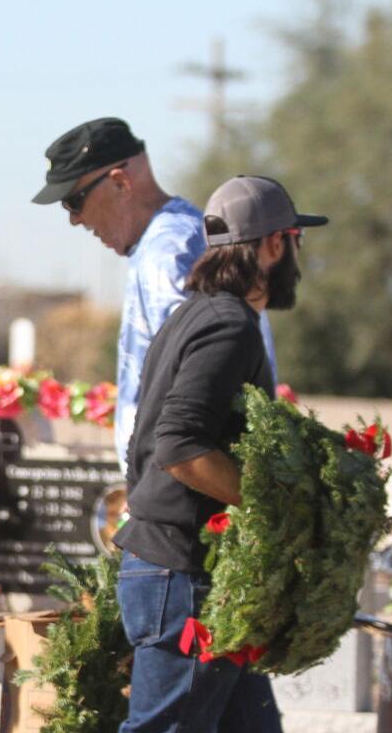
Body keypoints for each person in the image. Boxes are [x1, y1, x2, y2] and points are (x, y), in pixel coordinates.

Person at [29, 176, 328, 733]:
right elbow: (179, 448)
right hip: (185, 585)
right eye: (293, 240)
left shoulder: (192, 316)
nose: (296, 255)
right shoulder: (226, 326)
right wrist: (271, 510)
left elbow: (142, 443)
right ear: (270, 245)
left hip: (189, 578)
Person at [32, 117, 278, 469]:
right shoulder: (179, 235)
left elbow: (198, 397)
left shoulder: (167, 254)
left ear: (119, 183)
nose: (74, 219)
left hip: (184, 499)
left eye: (74, 201)